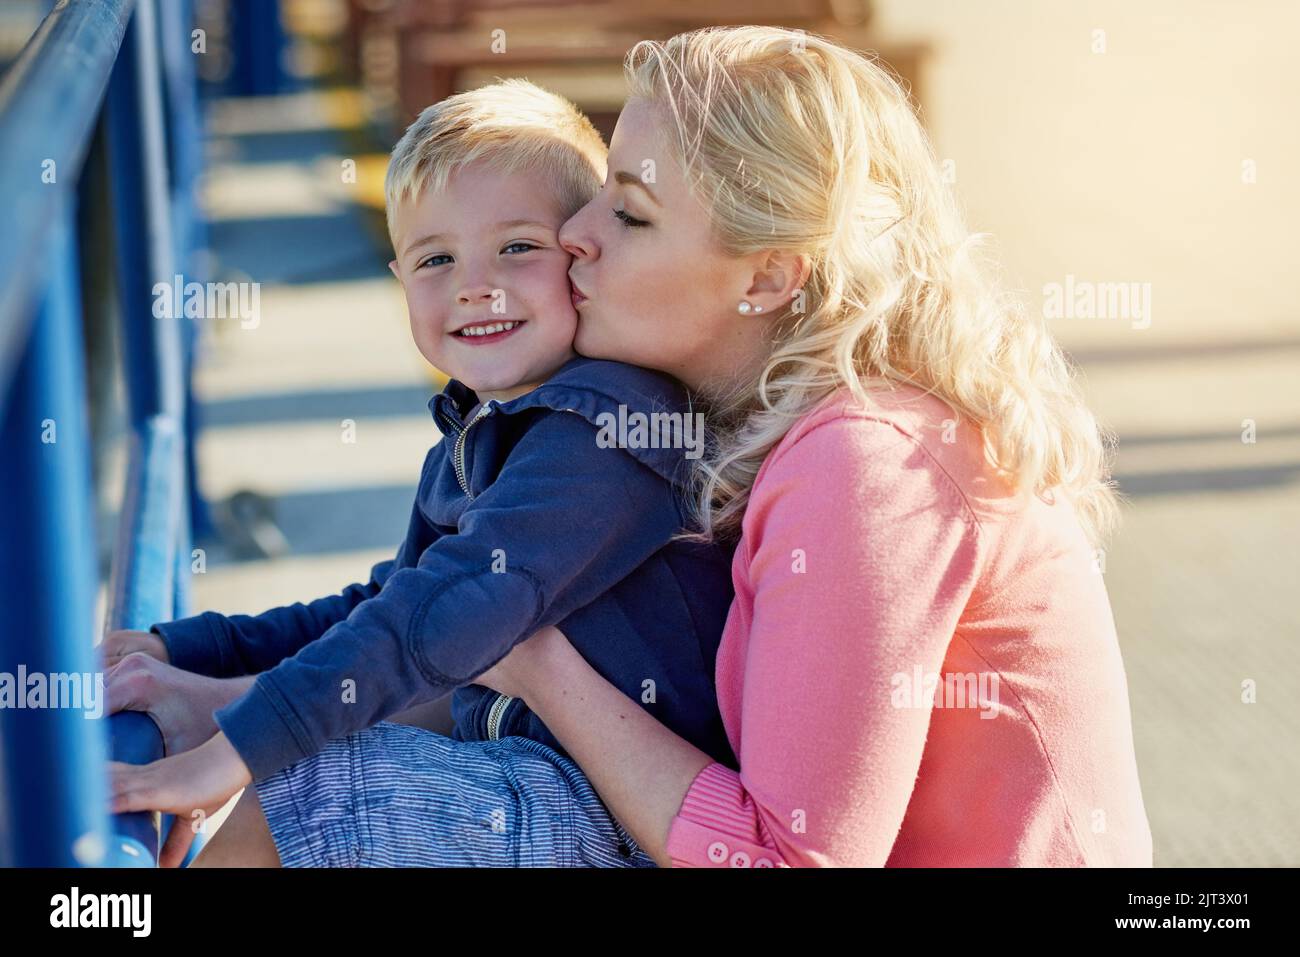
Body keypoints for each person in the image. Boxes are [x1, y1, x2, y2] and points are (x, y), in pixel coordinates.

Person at [115, 24, 1153, 867]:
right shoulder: (755, 424)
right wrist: (205, 664)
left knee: (322, 800)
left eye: (633, 214)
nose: (579, 235)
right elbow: (410, 603)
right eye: (602, 189)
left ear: (765, 277)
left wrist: (537, 666)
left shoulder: (865, 467)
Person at [103, 79, 737, 868]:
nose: (476, 283)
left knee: (324, 790)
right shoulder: (482, 428)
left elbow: (436, 613)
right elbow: (390, 599)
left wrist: (225, 753)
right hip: (539, 776)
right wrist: (197, 650)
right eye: (436, 258)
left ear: (579, 259)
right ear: (402, 276)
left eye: (517, 246)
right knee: (318, 758)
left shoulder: (608, 429)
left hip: (627, 816)